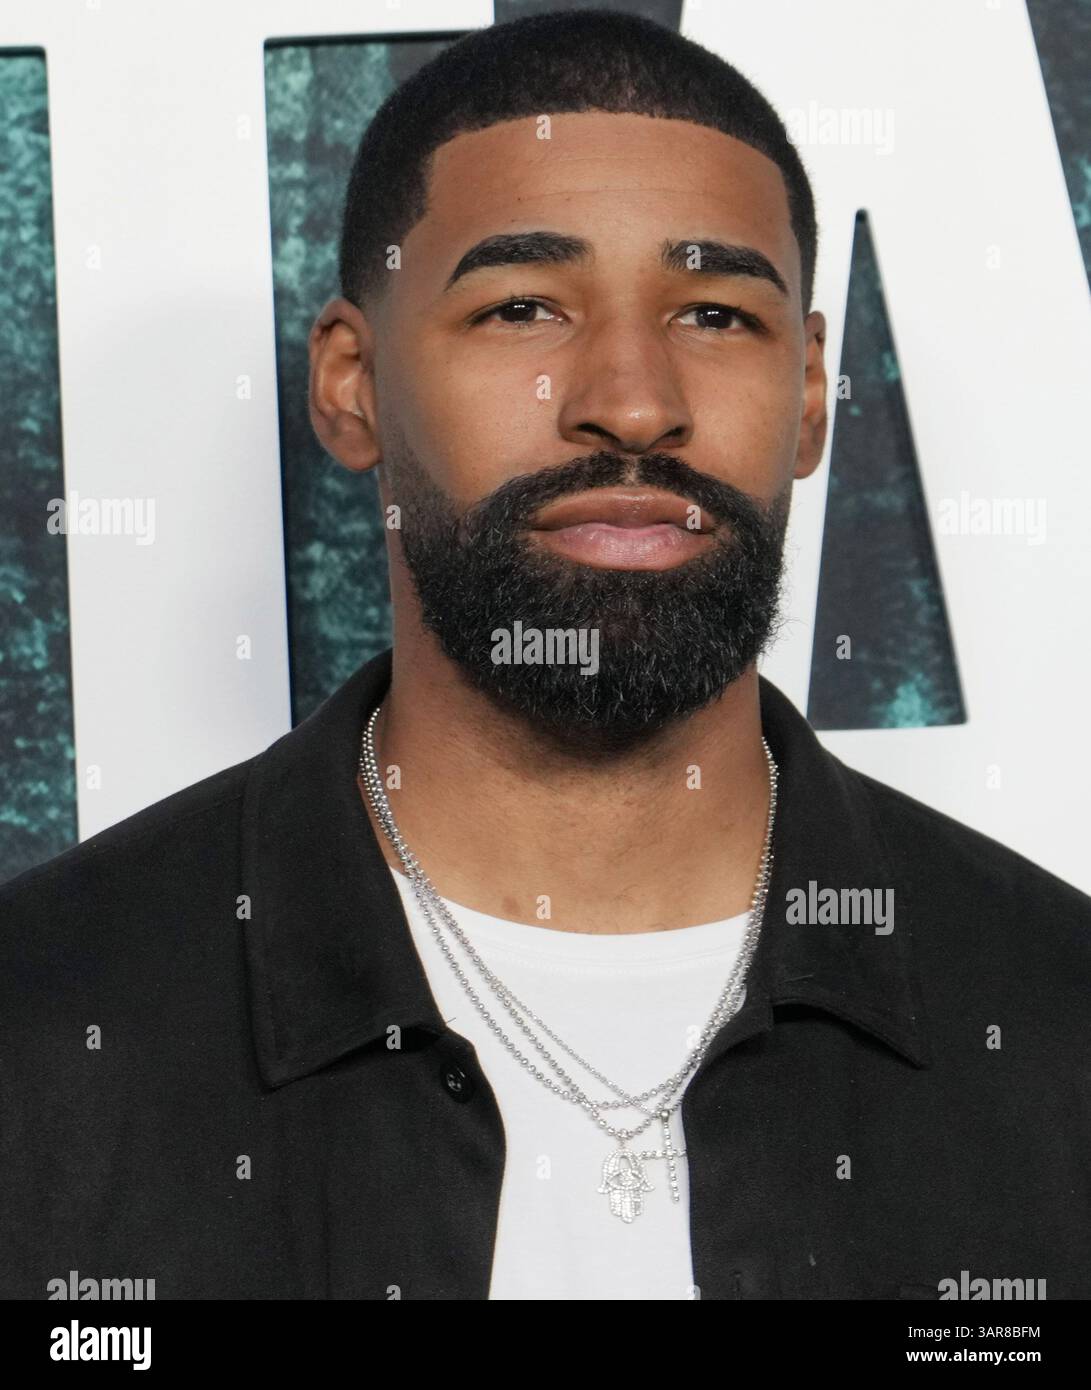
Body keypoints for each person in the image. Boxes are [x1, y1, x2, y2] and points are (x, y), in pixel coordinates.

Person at [2, 8, 1088, 1302]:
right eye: (523, 306)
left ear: (808, 391)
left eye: (716, 313)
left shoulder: (1057, 1023)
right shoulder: (45, 1029)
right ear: (349, 384)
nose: (633, 400)